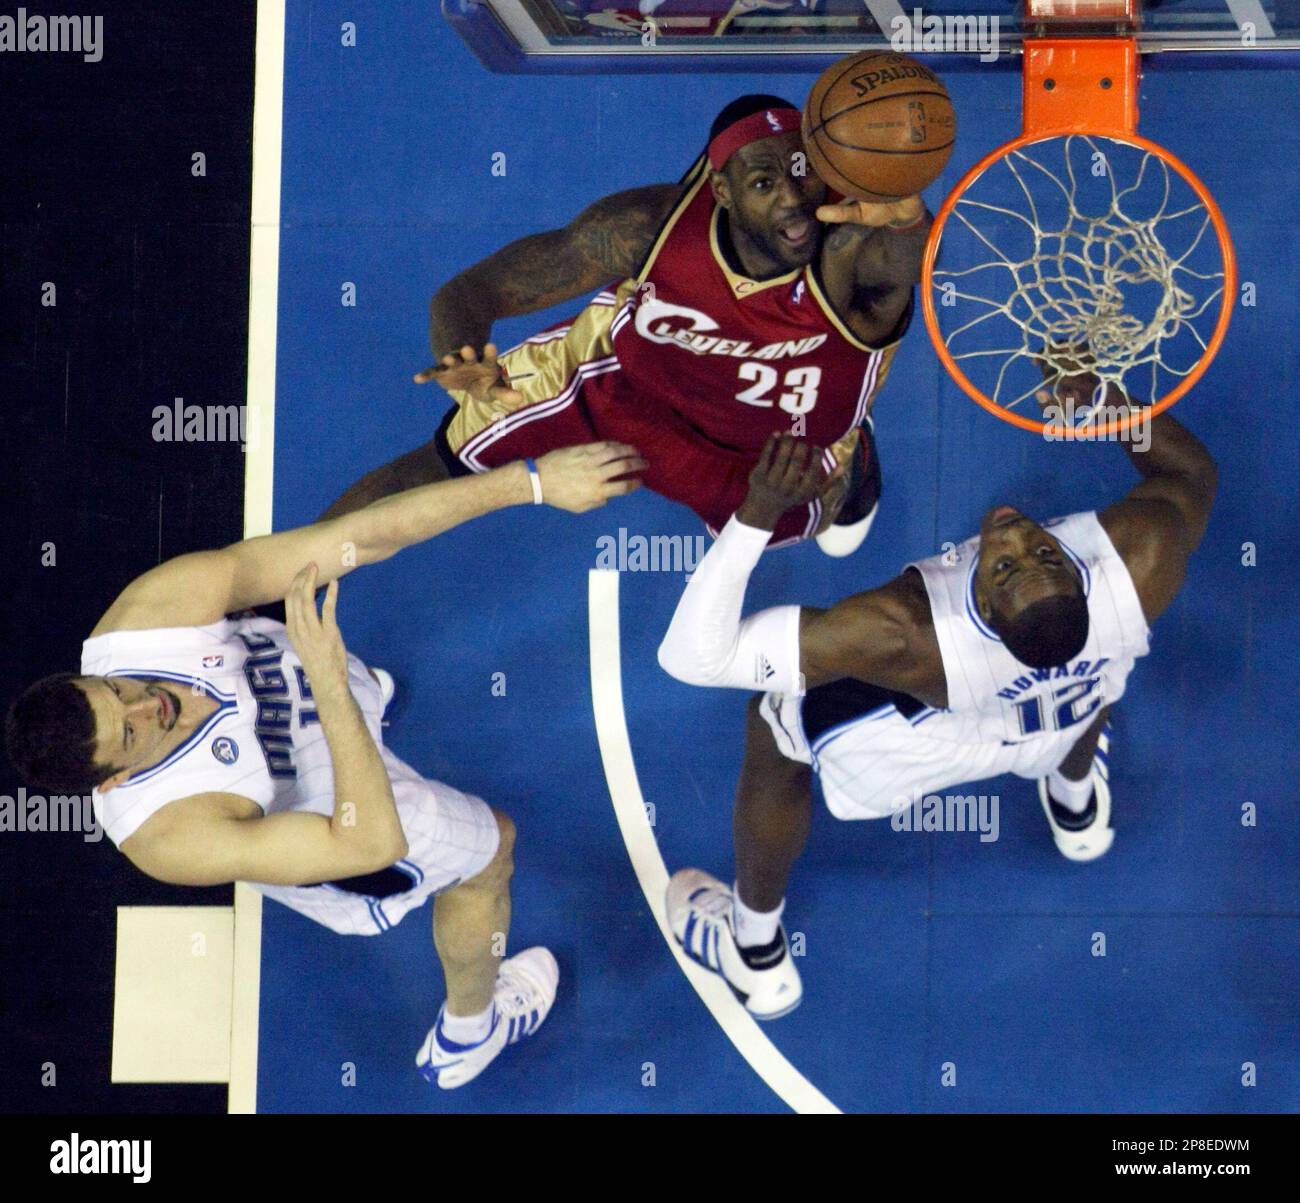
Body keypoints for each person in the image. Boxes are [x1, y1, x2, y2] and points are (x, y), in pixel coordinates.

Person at [5, 443, 645, 1085]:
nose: (151, 704)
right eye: (130, 731)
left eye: (118, 691)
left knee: (315, 561)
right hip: (342, 808)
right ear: (113, 778)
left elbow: (353, 540)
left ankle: (363, 697)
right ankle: (470, 1030)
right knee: (492, 851)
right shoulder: (168, 834)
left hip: (324, 684)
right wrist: (330, 687)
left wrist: (528, 484)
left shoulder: (146, 621)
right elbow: (369, 840)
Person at [655, 375, 1216, 1018]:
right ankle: (1077, 808)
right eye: (1040, 553)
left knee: (773, 725)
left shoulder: (906, 636)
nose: (1013, 533)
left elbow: (690, 658)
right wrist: (1105, 402)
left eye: (1006, 565)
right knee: (1092, 672)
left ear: (990, 605)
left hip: (934, 738)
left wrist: (755, 514)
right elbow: (1192, 473)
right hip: (1066, 704)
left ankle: (752, 952)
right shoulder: (1141, 560)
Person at [323, 93, 933, 554]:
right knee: (437, 467)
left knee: (803, 522)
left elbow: (900, 260)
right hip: (625, 387)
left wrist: (908, 218)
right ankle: (276, 596)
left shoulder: (849, 247)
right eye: (763, 182)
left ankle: (855, 452)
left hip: (780, 437)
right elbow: (470, 292)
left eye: (803, 171)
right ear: (720, 190)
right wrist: (465, 361)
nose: (793, 199)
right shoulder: (646, 229)